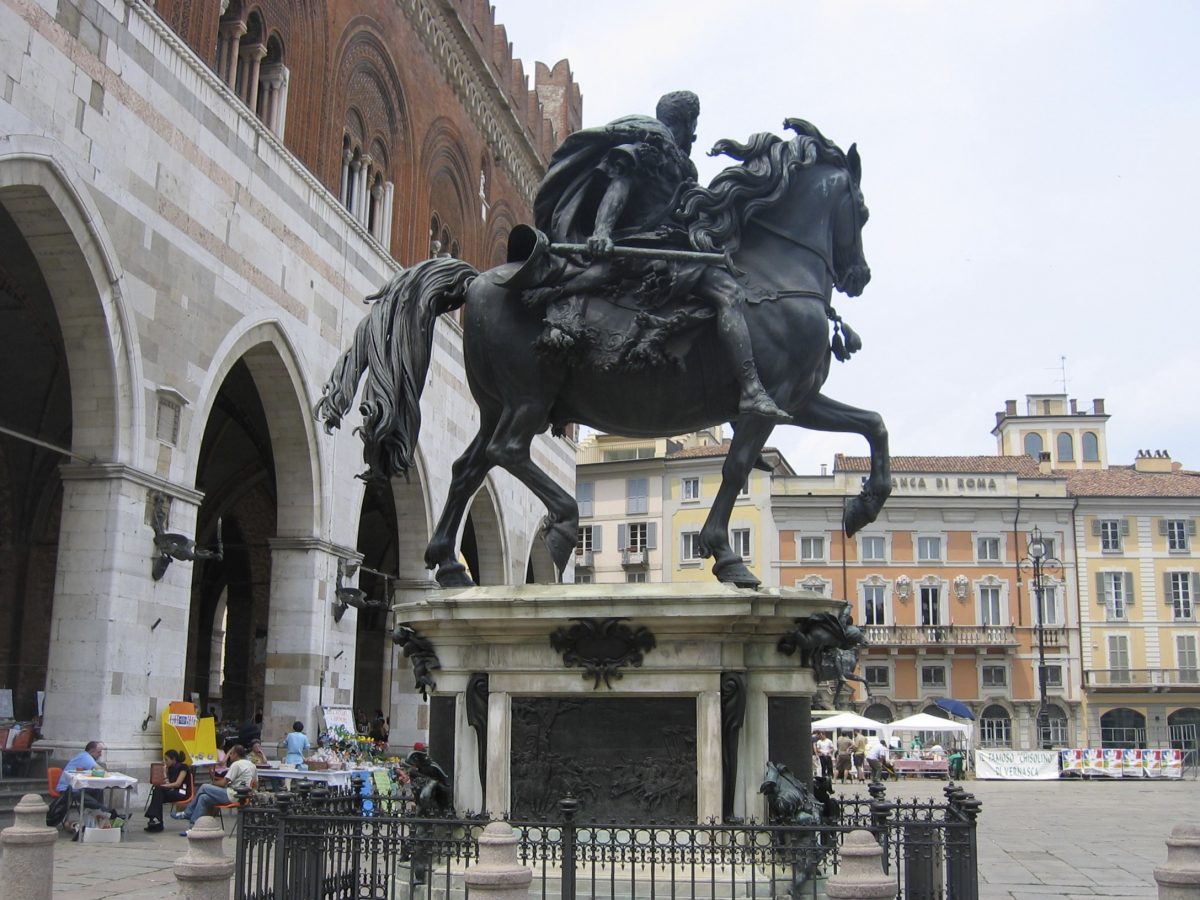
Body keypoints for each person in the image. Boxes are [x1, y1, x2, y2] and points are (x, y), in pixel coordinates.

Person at [529, 90, 788, 421]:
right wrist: (602, 231)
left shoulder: (684, 165)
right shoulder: (652, 144)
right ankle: (751, 390)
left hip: (673, 248)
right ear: (686, 122)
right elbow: (620, 184)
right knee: (729, 295)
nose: (695, 135)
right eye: (694, 125)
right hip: (642, 247)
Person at [174, 744, 256, 835]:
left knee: (204, 787)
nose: (230, 756)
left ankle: (187, 812)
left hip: (233, 795)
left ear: (236, 754)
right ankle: (193, 828)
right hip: (244, 796)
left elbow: (223, 783)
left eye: (231, 753)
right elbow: (255, 783)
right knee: (203, 798)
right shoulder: (252, 765)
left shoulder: (236, 764)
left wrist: (212, 784)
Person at [57, 740, 122, 830]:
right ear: (92, 752)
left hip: (77, 787)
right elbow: (101, 771)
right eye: (99, 752)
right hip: (67, 789)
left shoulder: (83, 756)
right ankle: (109, 813)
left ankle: (98, 815)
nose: (100, 755)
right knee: (86, 796)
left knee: (98, 790)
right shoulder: (85, 757)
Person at [144, 749, 190, 833]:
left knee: (158, 791)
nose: (165, 761)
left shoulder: (183, 767)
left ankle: (155, 819)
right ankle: (156, 820)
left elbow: (177, 784)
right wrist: (165, 773)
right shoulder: (171, 768)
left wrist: (163, 786)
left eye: (166, 759)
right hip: (173, 791)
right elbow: (169, 783)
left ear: (173, 759)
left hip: (182, 792)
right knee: (158, 794)